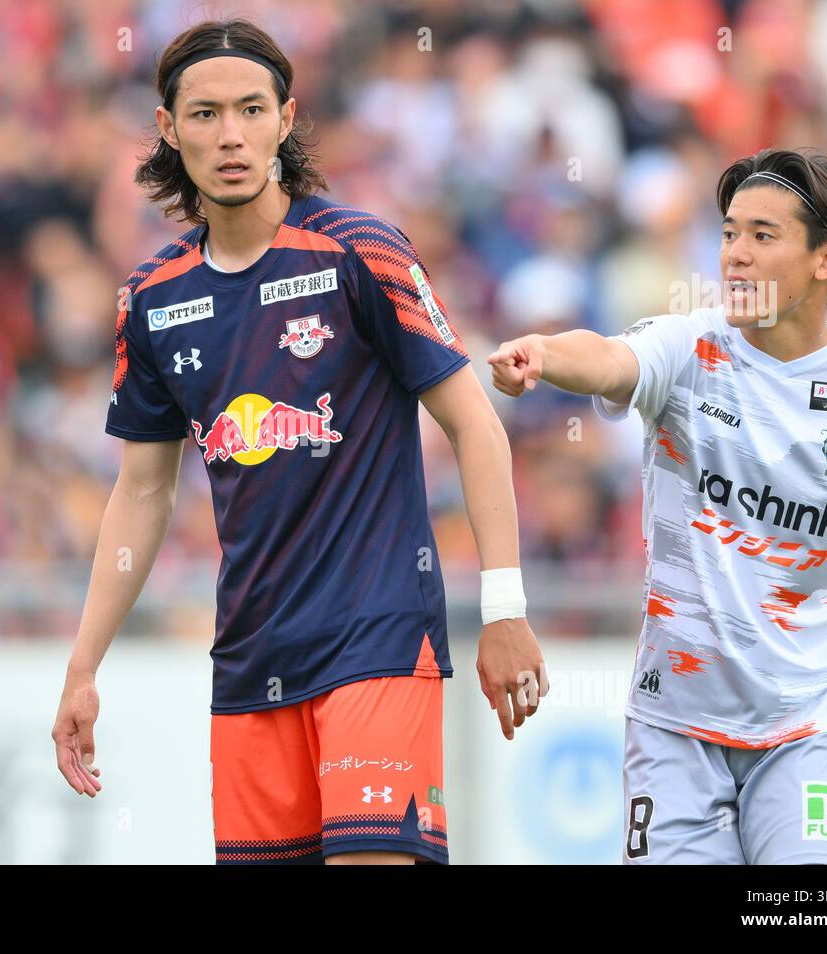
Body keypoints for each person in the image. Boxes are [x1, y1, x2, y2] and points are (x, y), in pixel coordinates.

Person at [52, 19, 545, 865]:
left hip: (377, 637)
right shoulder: (152, 298)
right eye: (204, 114)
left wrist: (503, 610)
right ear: (170, 129)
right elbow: (141, 492)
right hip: (250, 659)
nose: (230, 134)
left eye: (251, 109)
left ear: (287, 117)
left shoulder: (360, 250)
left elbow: (474, 424)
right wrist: (83, 664)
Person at [489, 148, 827, 864]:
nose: (735, 256)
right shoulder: (689, 347)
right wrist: (541, 353)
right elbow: (606, 357)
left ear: (826, 260)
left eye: (762, 235)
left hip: (807, 722)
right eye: (728, 233)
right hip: (673, 727)